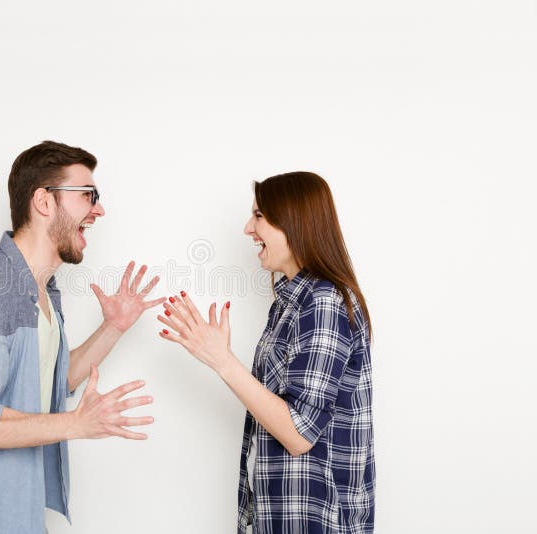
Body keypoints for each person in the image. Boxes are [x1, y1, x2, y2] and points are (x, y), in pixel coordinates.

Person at [0, 141, 163, 534]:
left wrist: (113, 328)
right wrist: (74, 424)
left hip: (4, 509)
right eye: (88, 195)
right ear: (43, 201)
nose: (99, 209)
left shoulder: (40, 289)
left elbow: (48, 383)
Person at [158, 171, 375, 533]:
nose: (247, 228)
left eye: (259, 216)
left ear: (294, 222)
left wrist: (221, 360)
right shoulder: (289, 303)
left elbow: (298, 434)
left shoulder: (323, 303)